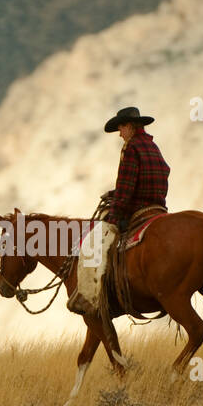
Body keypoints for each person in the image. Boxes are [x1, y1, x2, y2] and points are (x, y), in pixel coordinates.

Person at [68, 106, 170, 317]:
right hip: (158, 208)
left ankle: (89, 296)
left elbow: (127, 186)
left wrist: (114, 213)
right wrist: (116, 192)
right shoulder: (152, 146)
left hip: (137, 209)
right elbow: (160, 174)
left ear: (129, 126)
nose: (120, 134)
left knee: (93, 241)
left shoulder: (131, 148)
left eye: (121, 128)